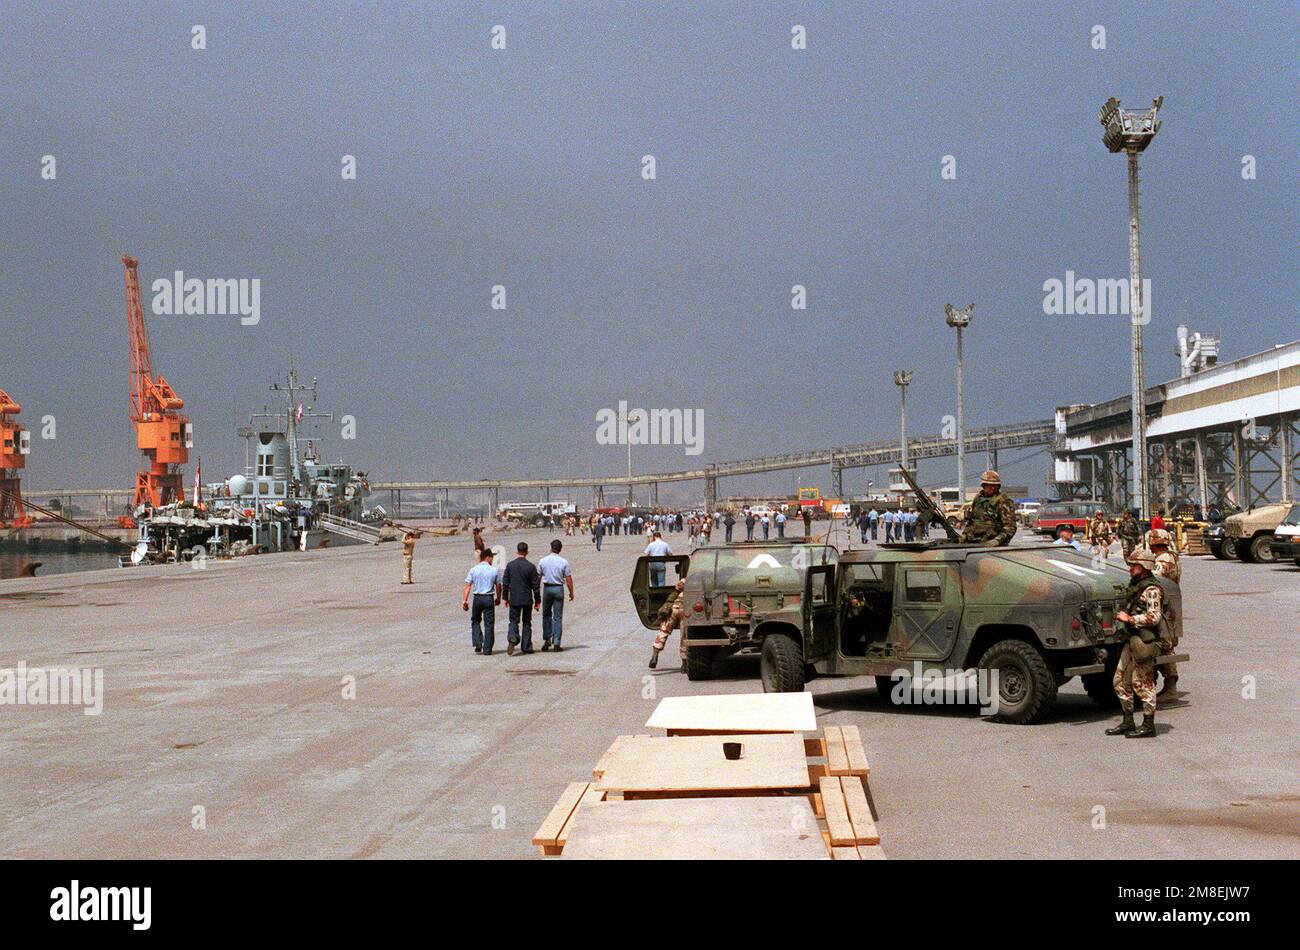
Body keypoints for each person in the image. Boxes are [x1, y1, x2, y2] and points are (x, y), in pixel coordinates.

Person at [1106, 547, 1173, 738]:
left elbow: (1154, 617)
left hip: (1146, 641)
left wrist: (1130, 619)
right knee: (1119, 681)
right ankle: (1128, 721)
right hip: (1133, 639)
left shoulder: (1151, 589)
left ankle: (1148, 724)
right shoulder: (1137, 585)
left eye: (1134, 565)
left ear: (1144, 566)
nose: (1130, 569)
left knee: (1142, 683)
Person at [1149, 529, 1182, 702]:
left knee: (1165, 645)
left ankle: (1171, 688)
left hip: (1164, 606)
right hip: (1171, 604)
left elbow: (1155, 579)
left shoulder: (1162, 560)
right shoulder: (1174, 556)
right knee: (1167, 644)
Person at [501, 542, 540, 655]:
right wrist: (537, 601)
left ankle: (513, 636)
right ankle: (526, 646)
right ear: (527, 552)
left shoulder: (510, 565)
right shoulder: (531, 567)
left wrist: (505, 597)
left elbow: (505, 583)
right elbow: (535, 586)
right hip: (527, 598)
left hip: (514, 598)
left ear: (517, 551)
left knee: (513, 620)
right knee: (527, 622)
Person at [461, 548, 502, 655]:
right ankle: (487, 649)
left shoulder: (474, 569)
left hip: (477, 598)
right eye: (492, 557)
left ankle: (478, 641)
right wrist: (498, 598)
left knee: (475, 620)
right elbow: (498, 585)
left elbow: (467, 586)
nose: (492, 559)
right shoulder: (494, 570)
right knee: (489, 623)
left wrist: (464, 600)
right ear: (487, 557)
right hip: (488, 598)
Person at [960, 471, 1017, 546]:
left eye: (995, 485)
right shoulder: (978, 499)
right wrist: (964, 536)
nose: (993, 488)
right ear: (983, 485)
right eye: (989, 485)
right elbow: (972, 522)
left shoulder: (1003, 501)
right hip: (973, 543)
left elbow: (1010, 527)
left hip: (994, 546)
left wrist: (997, 541)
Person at [537, 539, 574, 652]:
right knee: (557, 617)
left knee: (546, 615)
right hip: (558, 589)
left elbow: (538, 577)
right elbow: (568, 579)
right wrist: (571, 592)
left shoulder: (543, 561)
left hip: (547, 588)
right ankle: (557, 642)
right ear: (560, 548)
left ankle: (547, 639)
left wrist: (537, 592)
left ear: (551, 547)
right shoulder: (563, 562)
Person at [648, 578, 685, 669]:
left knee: (664, 630)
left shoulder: (684, 580)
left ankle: (655, 655)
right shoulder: (703, 581)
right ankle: (685, 663)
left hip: (675, 608)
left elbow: (677, 588)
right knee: (684, 636)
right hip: (685, 611)